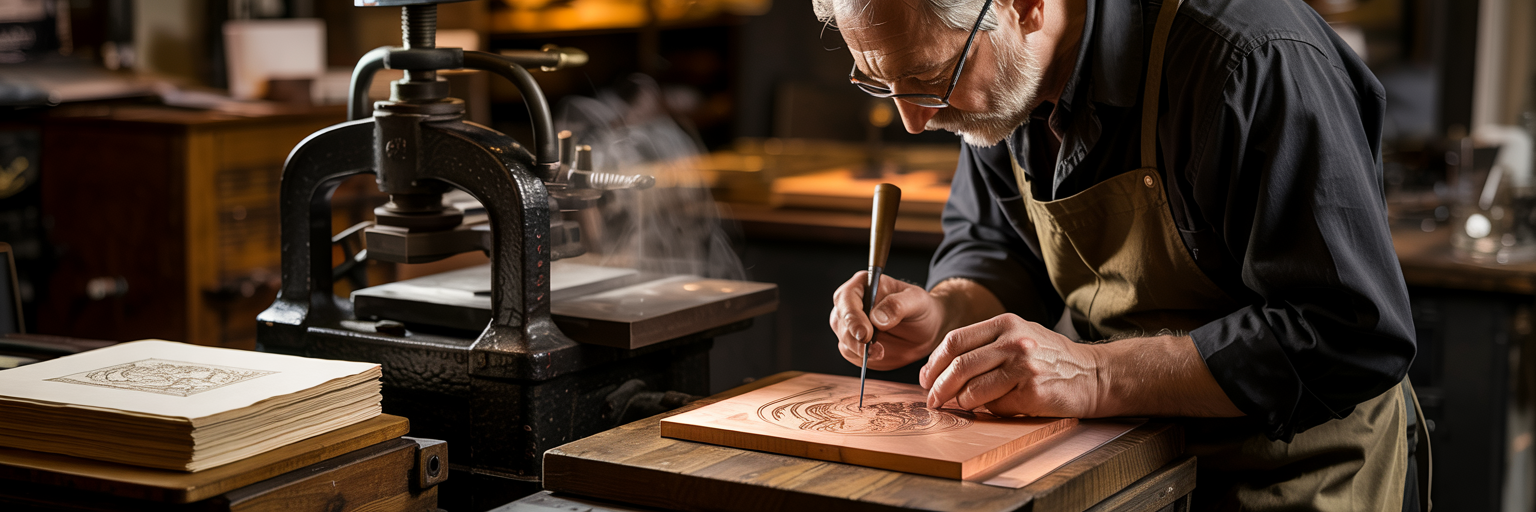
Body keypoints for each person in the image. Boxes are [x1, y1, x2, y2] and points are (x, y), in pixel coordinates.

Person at [816, 0, 1423, 510]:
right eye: (882, 84)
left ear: (1025, 6)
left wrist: (1097, 374)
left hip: (1292, 473)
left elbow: (1350, 332)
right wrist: (945, 312)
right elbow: (1001, 245)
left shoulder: (1251, 58)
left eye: (930, 79)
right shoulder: (999, 73)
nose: (915, 121)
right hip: (1128, 470)